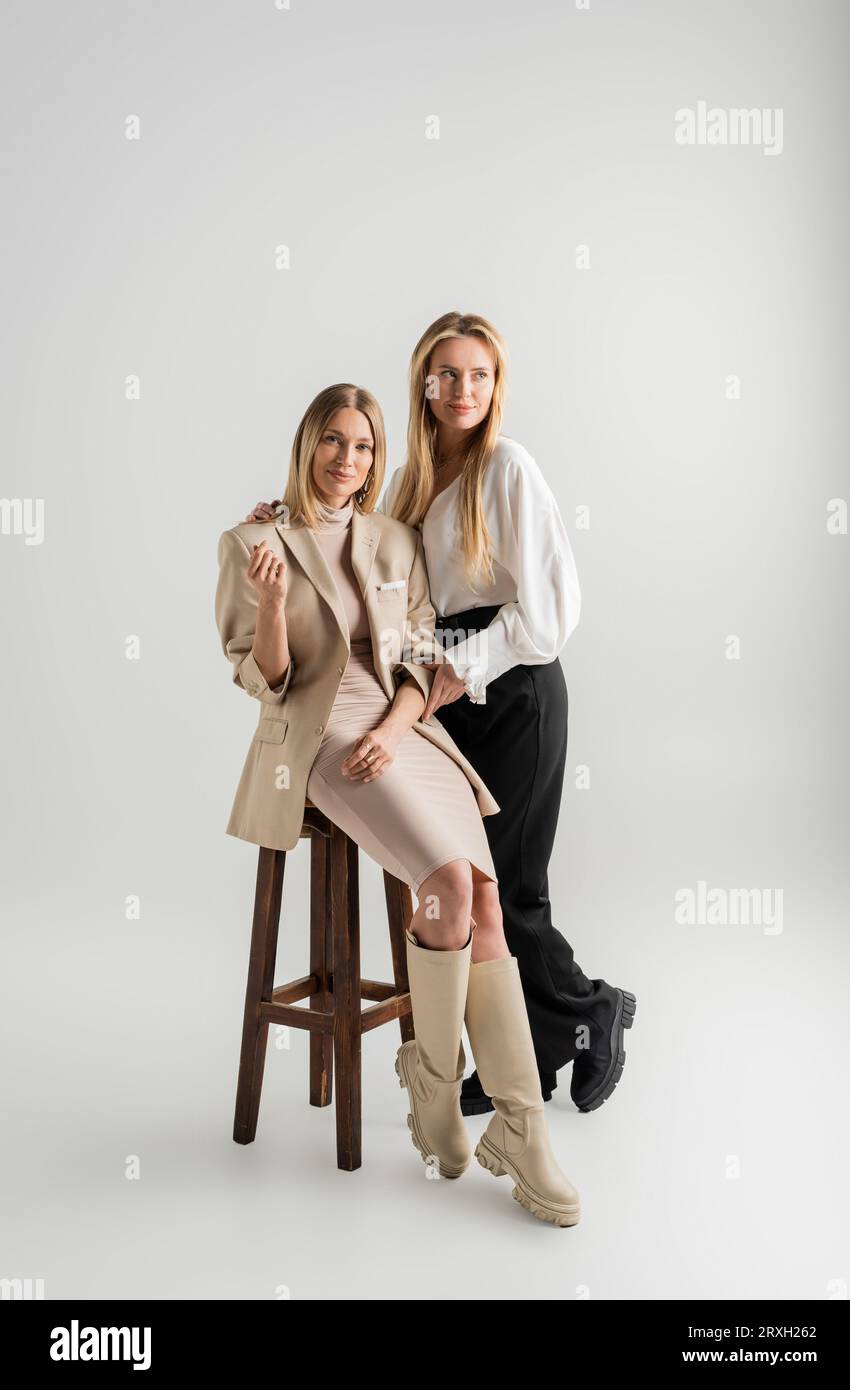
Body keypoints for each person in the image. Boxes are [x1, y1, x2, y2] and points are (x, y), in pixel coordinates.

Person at [242, 315, 637, 1117]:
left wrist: (463, 665)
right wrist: (287, 524)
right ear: (423, 382)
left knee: (512, 887)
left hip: (511, 688)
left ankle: (591, 1012)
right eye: (447, 374)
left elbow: (551, 615)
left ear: (497, 387)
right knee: (467, 876)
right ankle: (520, 1052)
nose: (463, 391)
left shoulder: (508, 469)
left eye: (479, 375)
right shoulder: (411, 484)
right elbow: (370, 573)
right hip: (434, 695)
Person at [216, 381, 580, 1225]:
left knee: (480, 897)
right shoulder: (250, 539)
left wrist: (398, 722)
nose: (350, 460)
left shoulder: (392, 539)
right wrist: (272, 601)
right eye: (335, 441)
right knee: (452, 884)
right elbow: (264, 679)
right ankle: (433, 1083)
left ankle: (515, 1134)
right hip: (317, 736)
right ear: (308, 443)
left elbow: (421, 655)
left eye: (367, 447)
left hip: (401, 724)